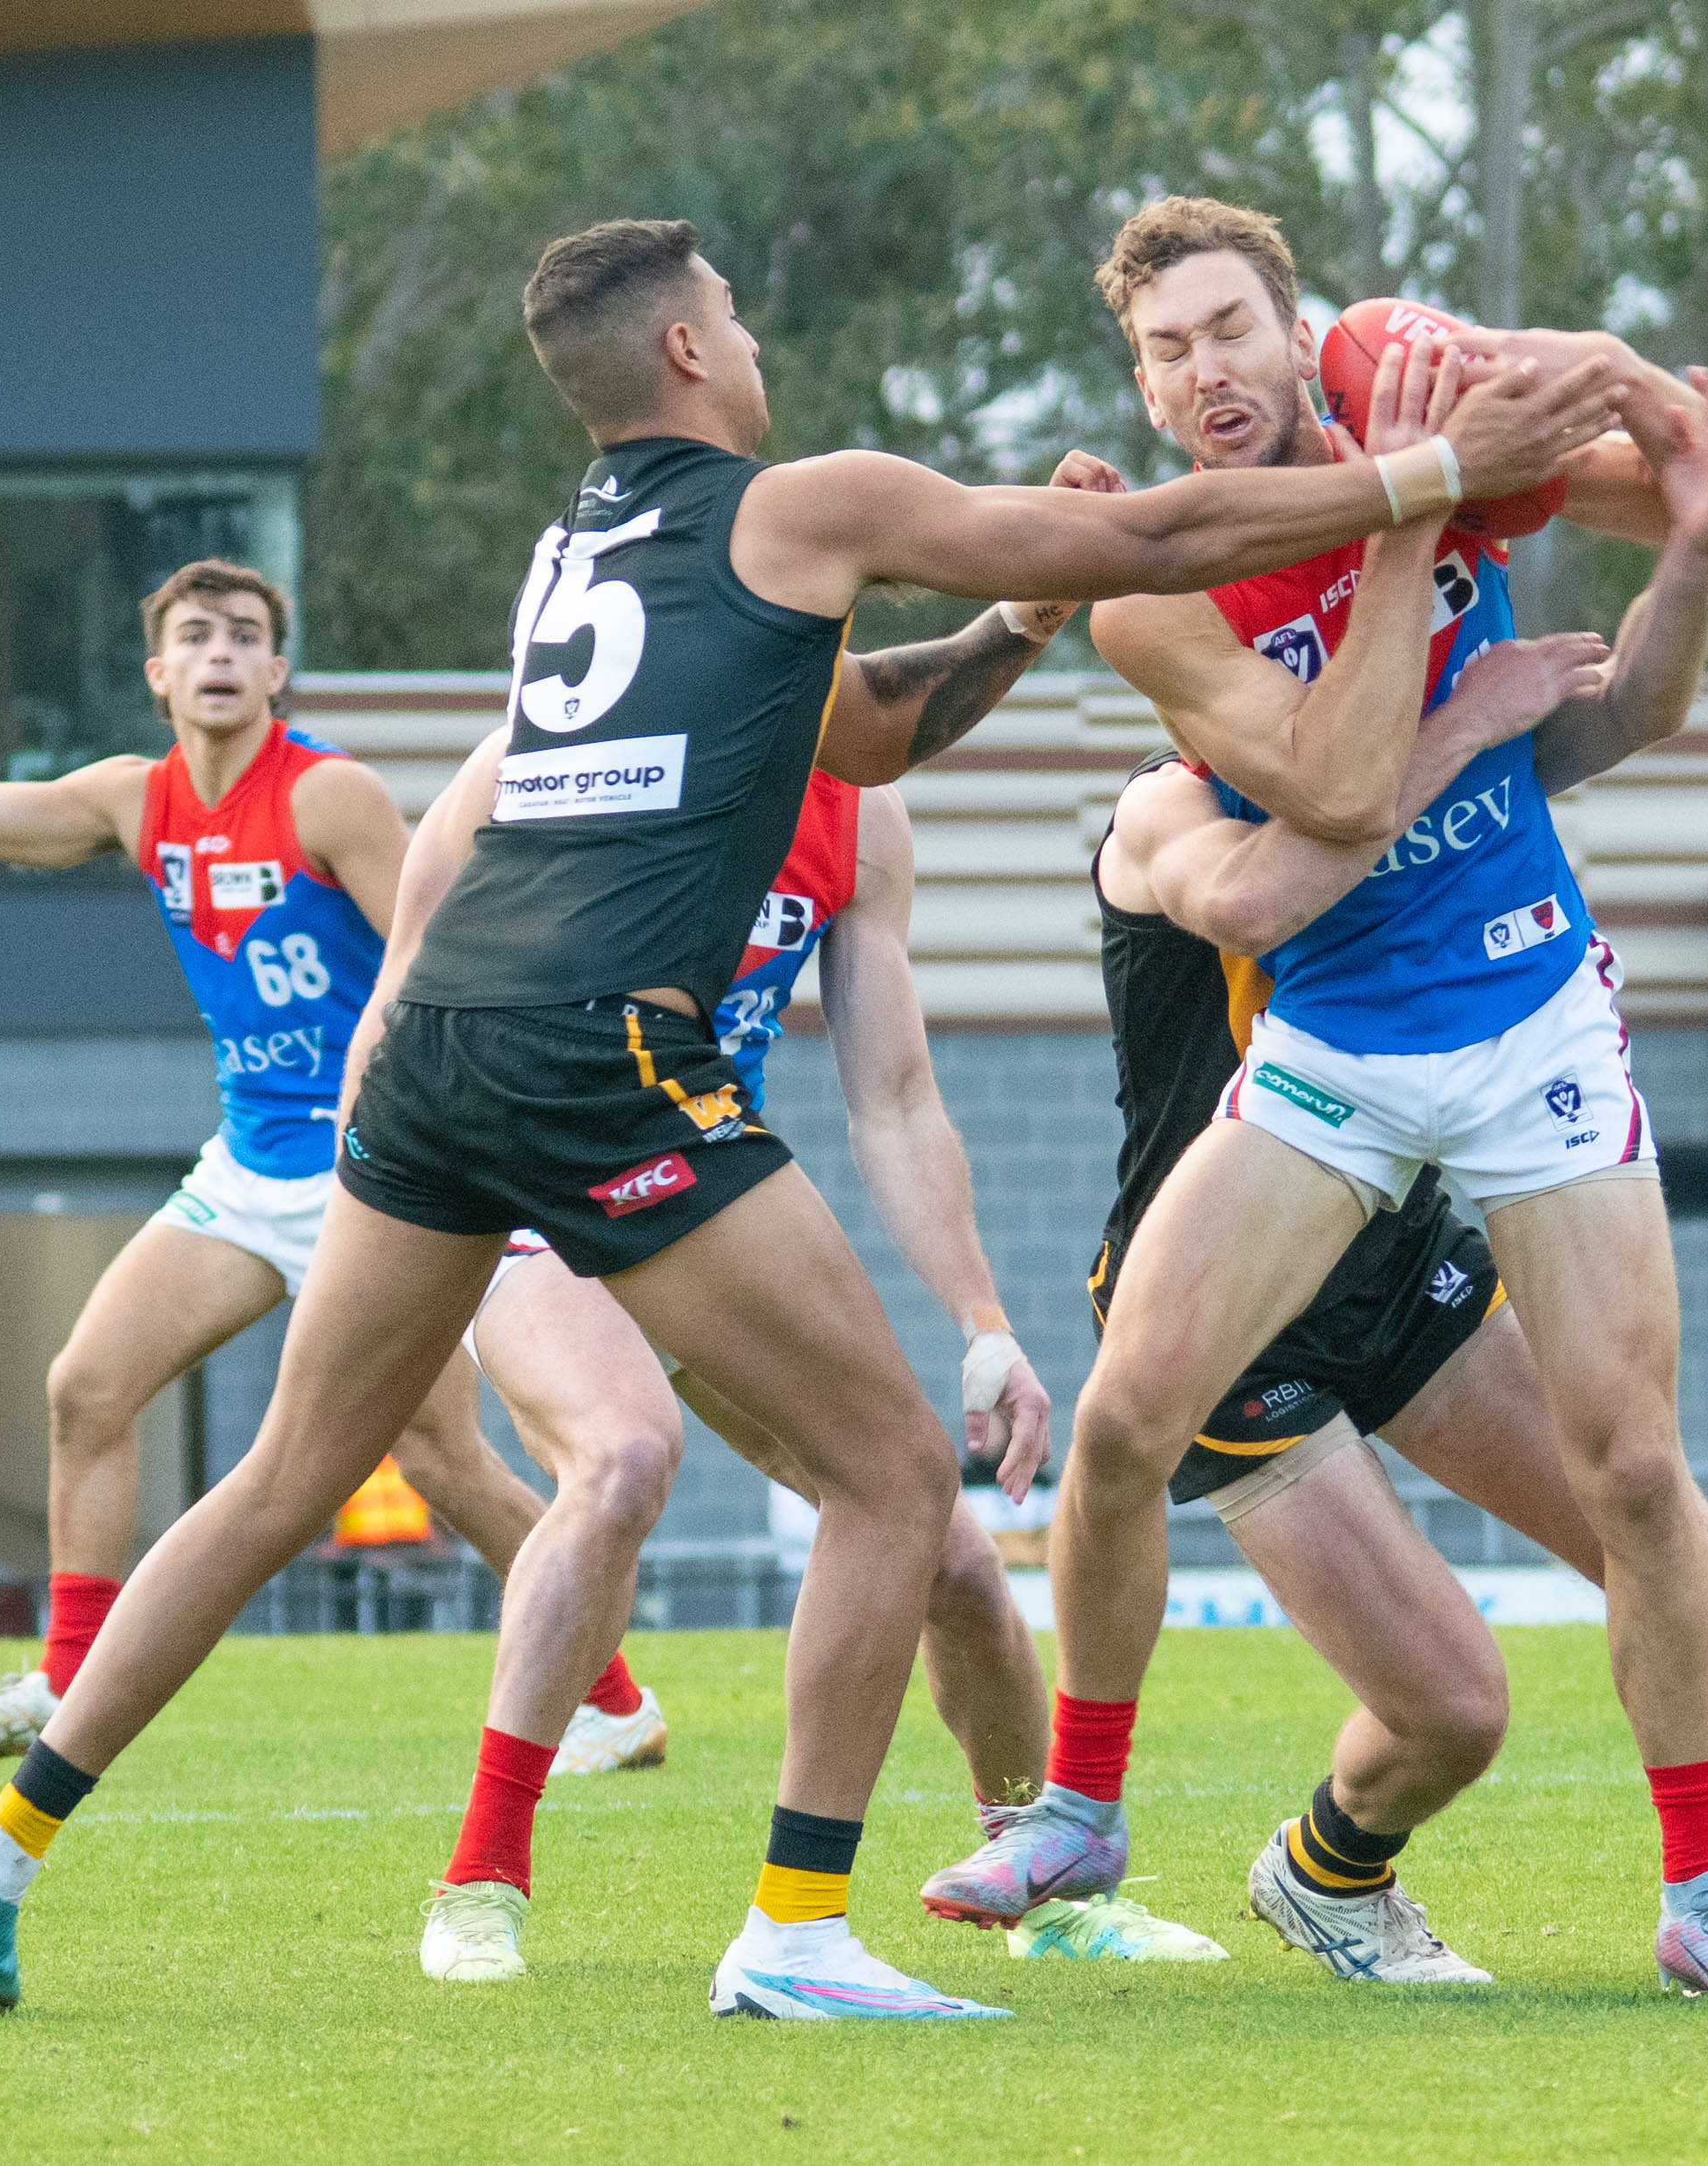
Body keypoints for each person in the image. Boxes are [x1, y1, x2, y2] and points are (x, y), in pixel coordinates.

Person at [0, 211, 1601, 2022]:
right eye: (738, 314)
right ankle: (793, 1924)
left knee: (286, 1474)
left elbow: (846, 729)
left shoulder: (580, 546)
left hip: (437, 1042)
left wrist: (1013, 626)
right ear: (690, 351)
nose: (757, 337)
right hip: (595, 1051)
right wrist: (1429, 474)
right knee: (895, 1471)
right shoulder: (800, 503)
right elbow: (1163, 531)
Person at [927, 286, 1708, 1992]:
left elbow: (1682, 592)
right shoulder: (1163, 657)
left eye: (1227, 335)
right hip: (1334, 1071)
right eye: (1163, 353)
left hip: (1520, 1039)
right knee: (1140, 1428)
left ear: (1297, 334)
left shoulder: (1434, 434)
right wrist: (1442, 592)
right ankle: (1083, 1811)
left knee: (1653, 1491)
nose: (1203, 375)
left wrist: (1631, 419)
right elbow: (1329, 806)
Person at [0, 564, 631, 1764]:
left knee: (438, 1457)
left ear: (277, 671)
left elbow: (442, 949)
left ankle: (613, 1697)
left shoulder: (328, 796)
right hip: (246, 1171)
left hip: (376, 1178)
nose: (221, 653)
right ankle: (64, 1677)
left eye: (246, 636)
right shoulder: (135, 802)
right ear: (158, 675)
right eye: (196, 636)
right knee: (84, 1387)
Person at [402, 723, 1226, 1987]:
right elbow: (408, 987)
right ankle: (480, 1877)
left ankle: (1039, 1882)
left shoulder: (861, 813)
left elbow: (892, 1097)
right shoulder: (561, 748)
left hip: (695, 1209)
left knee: (940, 1545)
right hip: (532, 1193)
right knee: (622, 1461)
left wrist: (982, 1324)